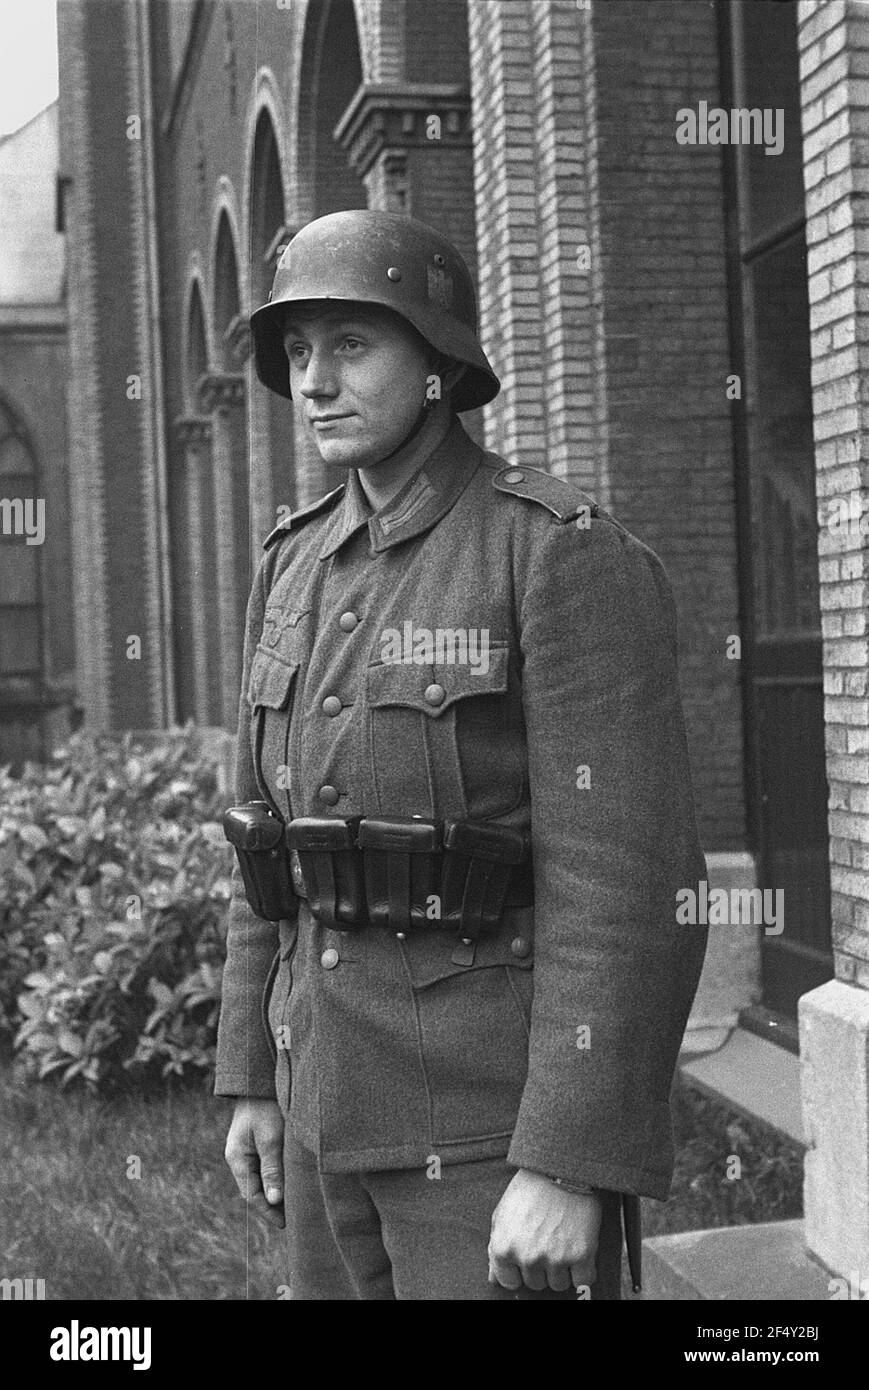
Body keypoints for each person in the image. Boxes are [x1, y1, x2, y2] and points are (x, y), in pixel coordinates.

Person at [216, 209, 708, 1300]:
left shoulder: (552, 553)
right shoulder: (291, 567)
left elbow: (626, 884)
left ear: (439, 363)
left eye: (351, 344)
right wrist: (253, 1075)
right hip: (317, 1116)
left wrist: (569, 1162)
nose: (313, 381)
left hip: (485, 1144)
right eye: (298, 352)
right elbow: (262, 855)